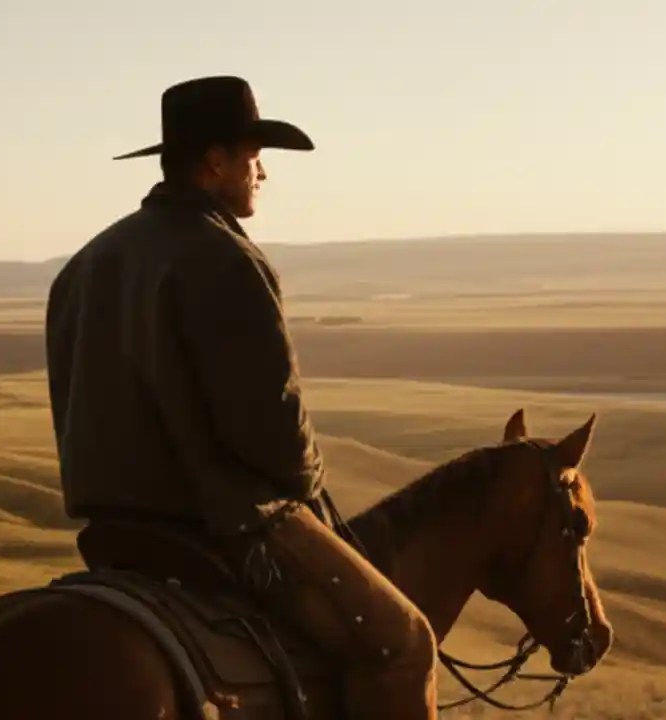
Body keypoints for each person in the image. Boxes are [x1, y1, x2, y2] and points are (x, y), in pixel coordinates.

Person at [44, 76, 438, 719]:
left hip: (113, 531)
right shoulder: (225, 257)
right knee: (403, 643)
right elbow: (274, 429)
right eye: (254, 158)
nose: (263, 175)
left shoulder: (83, 266)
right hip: (225, 524)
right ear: (215, 163)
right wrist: (309, 479)